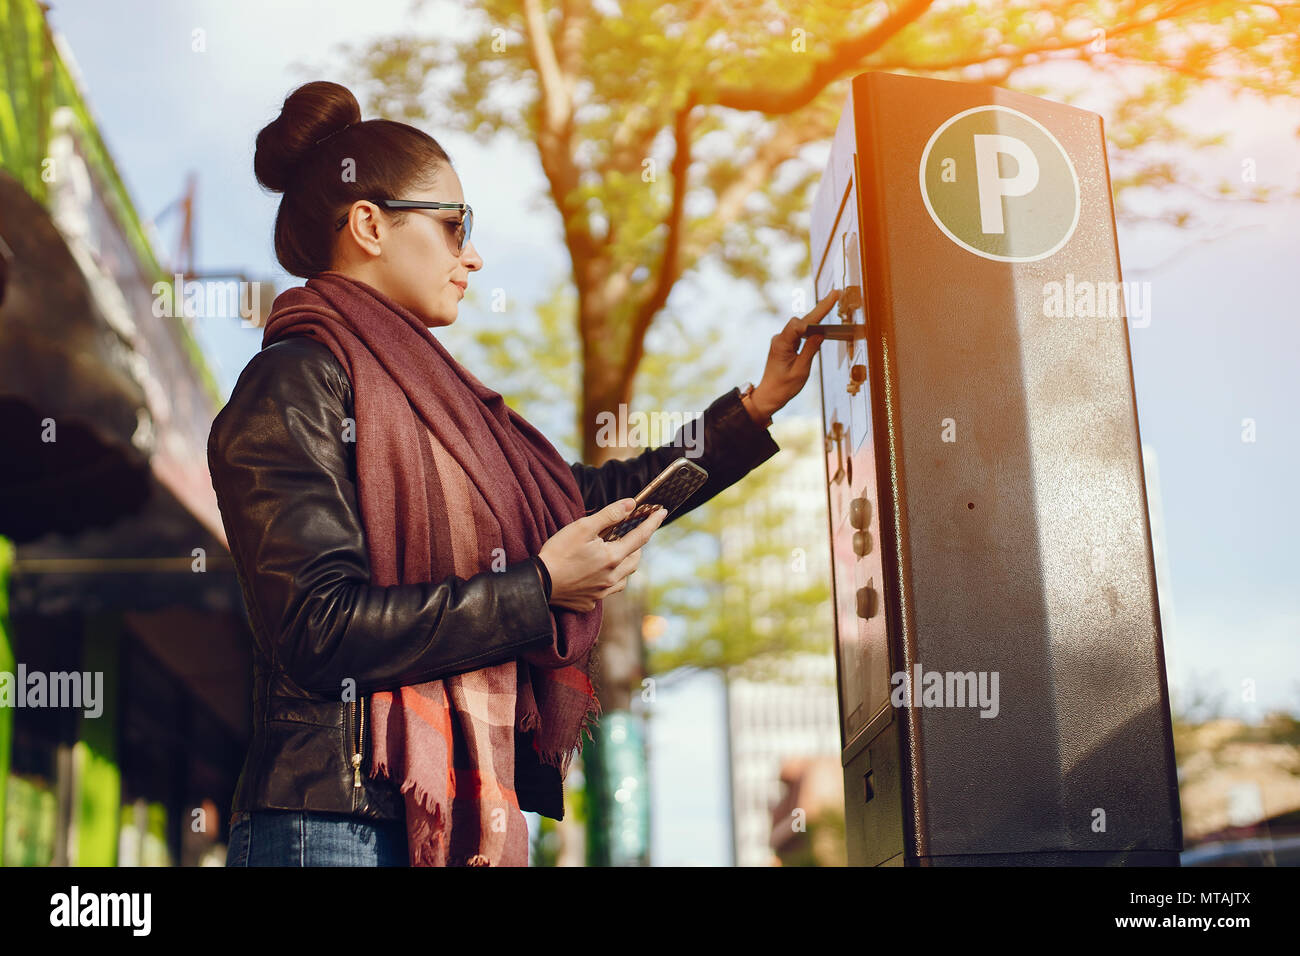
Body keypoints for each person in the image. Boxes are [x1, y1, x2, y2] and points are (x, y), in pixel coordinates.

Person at [211, 80, 839, 866]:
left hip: (423, 821)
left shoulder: (448, 411)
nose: (472, 254)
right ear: (369, 224)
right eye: (453, 225)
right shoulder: (294, 382)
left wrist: (755, 408)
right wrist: (537, 590)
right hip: (332, 823)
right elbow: (318, 627)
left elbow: (587, 501)